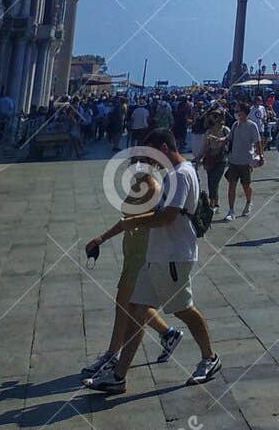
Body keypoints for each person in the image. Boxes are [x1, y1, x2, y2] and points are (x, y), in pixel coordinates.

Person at [84, 129, 220, 393]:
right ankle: (118, 376)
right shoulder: (174, 174)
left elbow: (168, 216)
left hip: (173, 256)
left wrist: (134, 221)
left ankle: (209, 358)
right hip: (158, 254)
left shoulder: (180, 175)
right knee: (136, 309)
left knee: (184, 310)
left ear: (164, 148)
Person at [81, 152, 184, 383]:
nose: (137, 166)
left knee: (124, 305)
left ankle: (112, 356)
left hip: (144, 254)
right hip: (132, 252)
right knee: (135, 305)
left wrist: (101, 238)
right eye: (134, 162)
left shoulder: (154, 189)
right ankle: (168, 334)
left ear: (152, 164)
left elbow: (135, 221)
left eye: (142, 163)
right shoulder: (138, 185)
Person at [223, 102, 263, 220]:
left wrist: (261, 156)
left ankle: (249, 201)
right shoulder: (235, 124)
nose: (236, 112)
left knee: (246, 185)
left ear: (244, 112)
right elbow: (229, 138)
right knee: (232, 185)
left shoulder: (252, 126)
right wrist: (219, 139)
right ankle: (231, 210)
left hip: (246, 161)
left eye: (238, 110)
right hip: (233, 160)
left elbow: (258, 142)